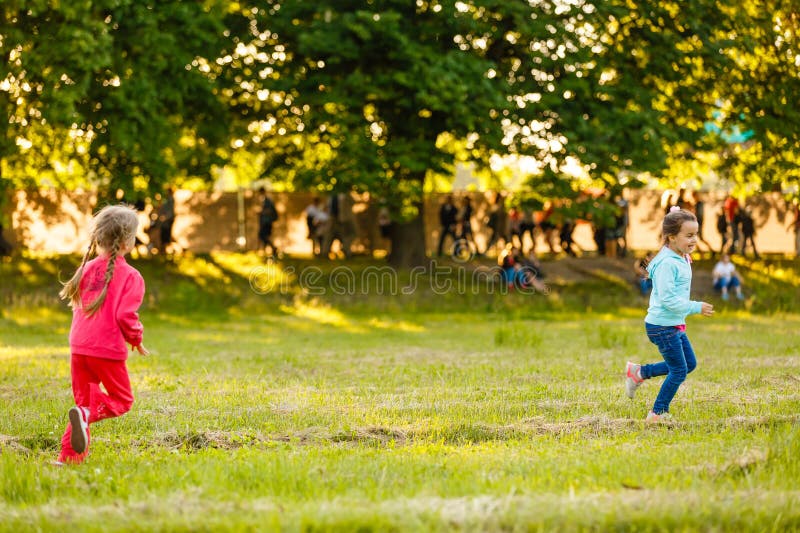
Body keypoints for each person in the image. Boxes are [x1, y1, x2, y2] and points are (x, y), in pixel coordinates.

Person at [54, 204, 149, 465]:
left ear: (99, 238)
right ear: (128, 242)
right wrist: (136, 340)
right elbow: (125, 316)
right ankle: (84, 416)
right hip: (106, 350)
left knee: (83, 405)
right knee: (123, 400)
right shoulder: (132, 276)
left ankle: (68, 459)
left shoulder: (85, 269)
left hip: (79, 348)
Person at [624, 206, 714, 423]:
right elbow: (668, 299)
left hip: (672, 323)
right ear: (672, 237)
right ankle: (657, 413)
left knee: (688, 364)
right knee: (679, 370)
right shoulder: (667, 263)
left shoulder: (679, 256)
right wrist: (695, 307)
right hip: (661, 326)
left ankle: (640, 373)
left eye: (696, 235)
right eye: (689, 235)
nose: (694, 240)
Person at [257, 188, 279, 257]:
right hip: (265, 221)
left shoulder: (267, 201)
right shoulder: (264, 200)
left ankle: (273, 248)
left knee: (262, 235)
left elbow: (269, 211)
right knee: (265, 236)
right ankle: (265, 251)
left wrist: (261, 213)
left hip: (267, 222)